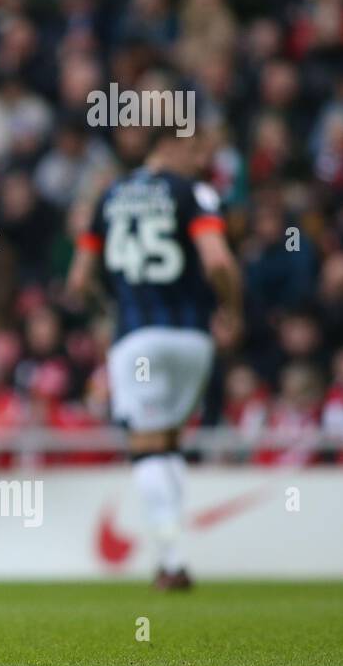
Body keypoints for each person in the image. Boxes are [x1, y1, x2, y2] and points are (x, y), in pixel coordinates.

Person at [65, 126, 242, 590]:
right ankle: (174, 553)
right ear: (168, 146)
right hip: (192, 337)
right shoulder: (194, 193)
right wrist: (231, 309)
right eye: (195, 148)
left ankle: (171, 560)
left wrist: (113, 309)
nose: (201, 158)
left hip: (137, 338)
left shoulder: (111, 196)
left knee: (146, 447)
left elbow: (78, 280)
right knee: (169, 441)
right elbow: (219, 262)